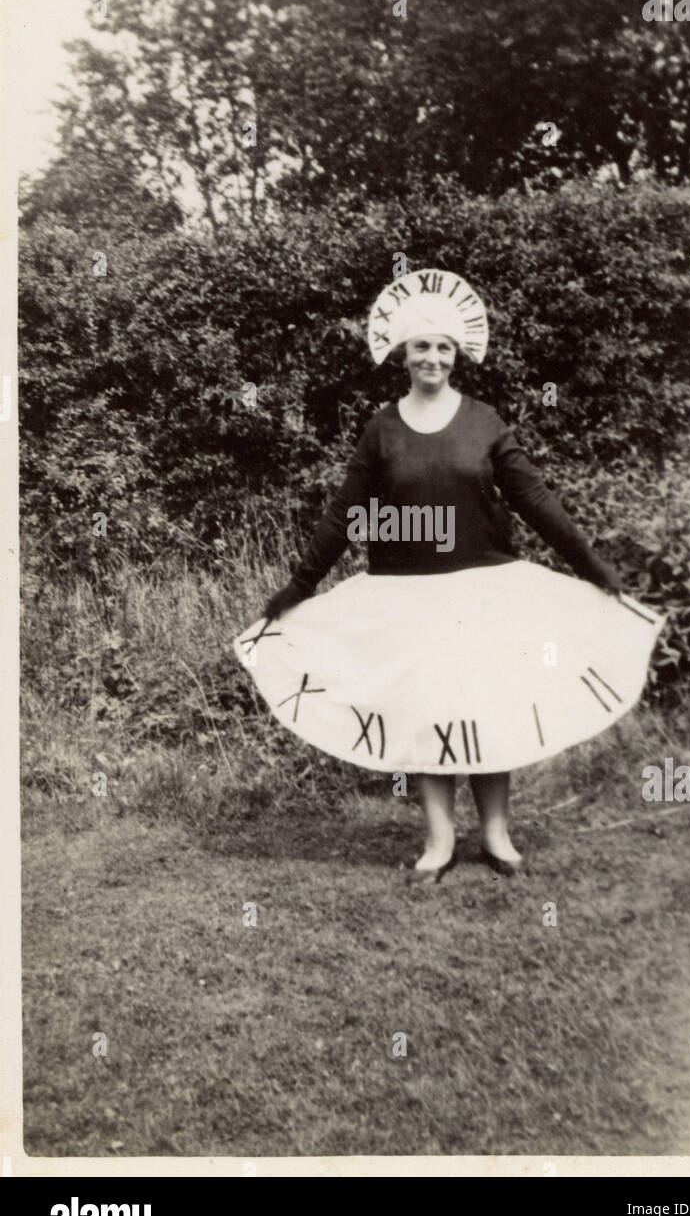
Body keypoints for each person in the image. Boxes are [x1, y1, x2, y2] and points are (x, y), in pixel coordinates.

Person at [235, 269, 664, 881]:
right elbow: (346, 516)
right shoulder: (382, 428)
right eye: (420, 346)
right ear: (402, 356)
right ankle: (438, 842)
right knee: (428, 711)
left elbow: (535, 499)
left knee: (490, 707)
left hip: (487, 587)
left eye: (442, 346)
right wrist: (298, 587)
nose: (432, 357)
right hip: (407, 595)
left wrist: (593, 567)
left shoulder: (484, 420)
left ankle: (496, 837)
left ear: (456, 353)